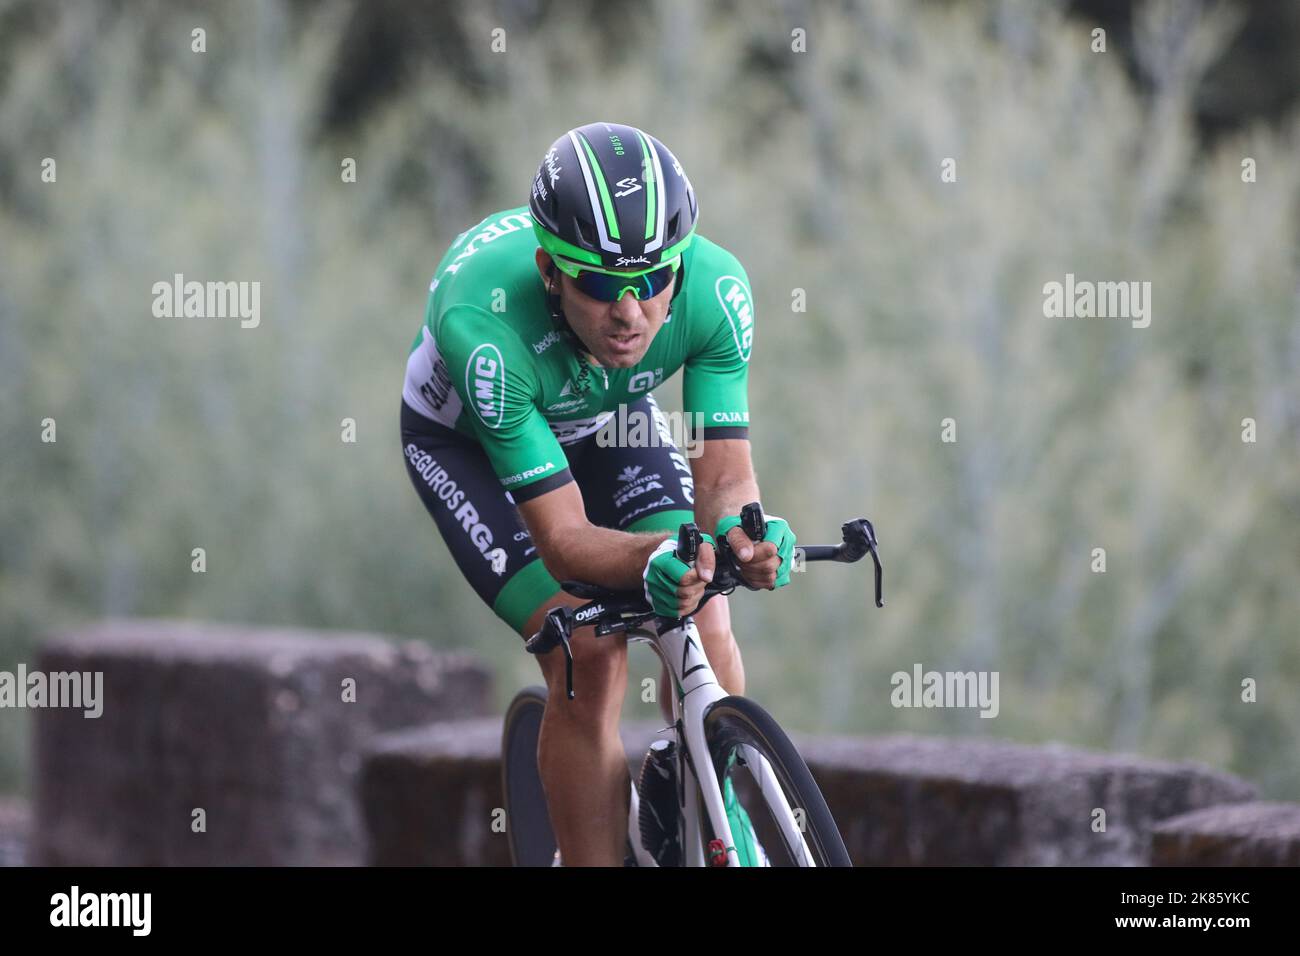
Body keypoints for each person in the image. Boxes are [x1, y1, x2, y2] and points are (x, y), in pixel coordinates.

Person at [399, 121, 795, 865]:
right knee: (589, 649)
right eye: (601, 286)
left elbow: (723, 476)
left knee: (704, 611)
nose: (630, 313)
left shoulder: (714, 293)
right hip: (474, 447)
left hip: (603, 419)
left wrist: (747, 531)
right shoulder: (483, 330)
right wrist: (653, 557)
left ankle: (713, 807)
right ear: (551, 272)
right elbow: (565, 540)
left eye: (651, 282)